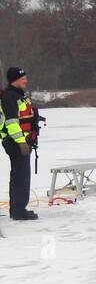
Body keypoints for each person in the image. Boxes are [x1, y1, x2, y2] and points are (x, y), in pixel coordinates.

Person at [1, 67, 38, 220]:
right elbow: (12, 123)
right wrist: (22, 143)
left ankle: (17, 209)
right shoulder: (10, 97)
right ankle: (19, 211)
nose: (26, 81)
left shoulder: (18, 95)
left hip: (23, 141)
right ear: (15, 80)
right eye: (23, 79)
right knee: (21, 177)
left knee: (20, 175)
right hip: (16, 143)